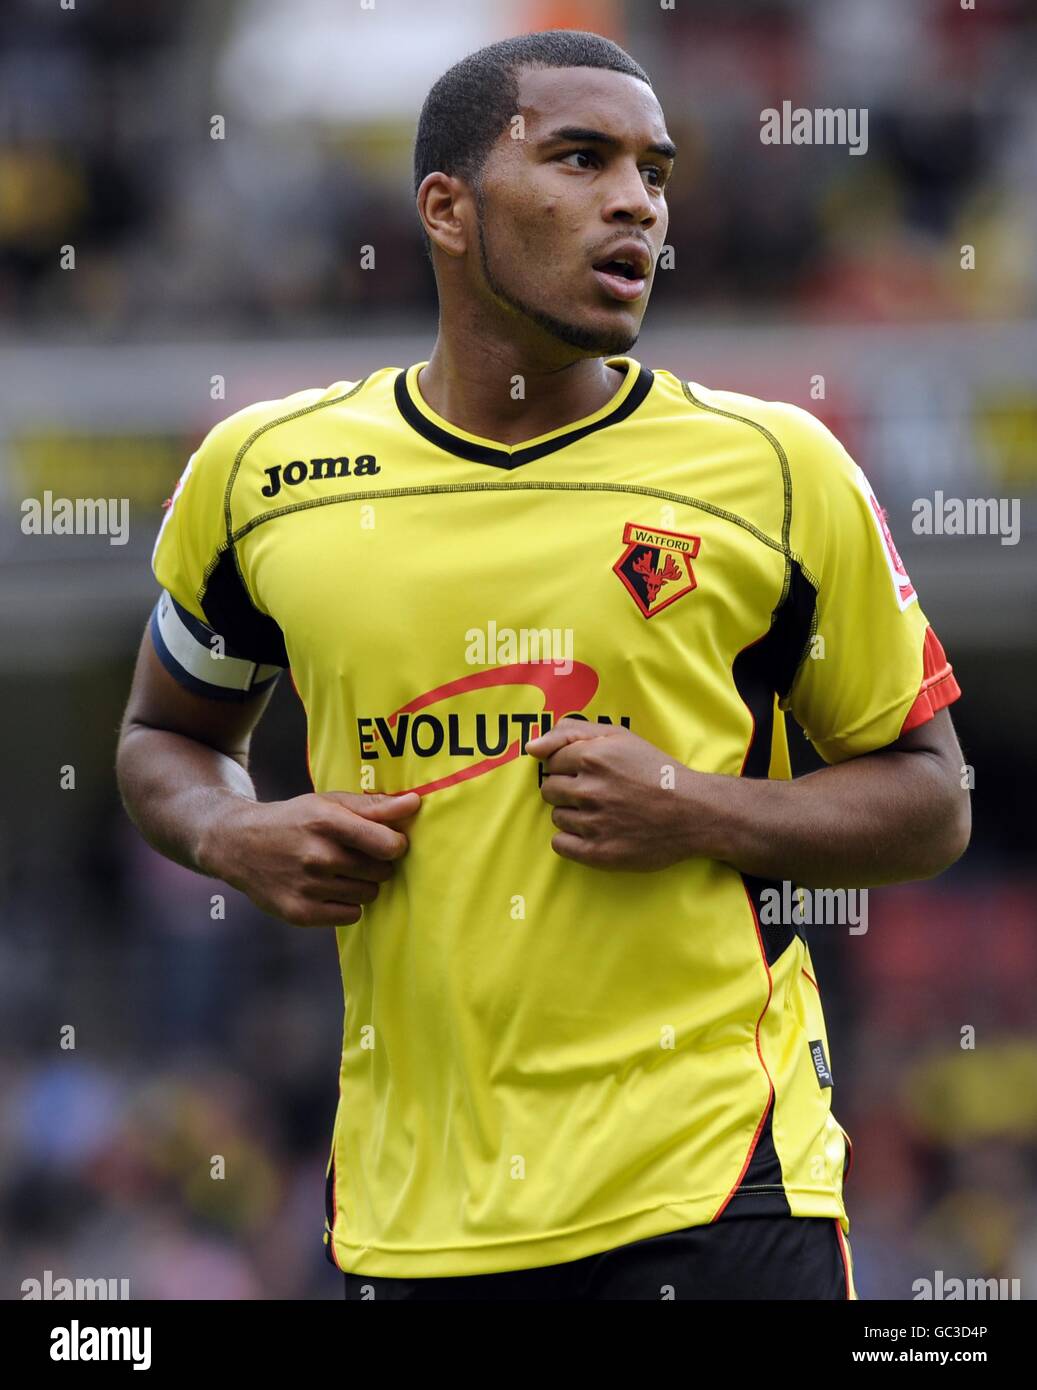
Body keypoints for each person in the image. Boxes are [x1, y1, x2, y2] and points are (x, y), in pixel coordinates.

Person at [116, 30, 969, 1301]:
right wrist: (234, 834)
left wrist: (686, 806)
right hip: (414, 1219)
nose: (636, 200)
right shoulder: (264, 475)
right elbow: (161, 739)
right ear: (446, 210)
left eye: (654, 171)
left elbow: (930, 798)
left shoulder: (777, 470)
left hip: (721, 1189)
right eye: (580, 157)